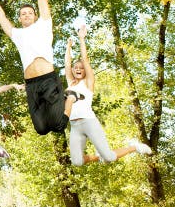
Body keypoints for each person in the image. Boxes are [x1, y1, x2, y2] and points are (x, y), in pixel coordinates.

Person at [0, 0, 76, 135]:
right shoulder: (17, 34)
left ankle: (71, 98)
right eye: (23, 14)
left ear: (35, 16)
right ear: (20, 18)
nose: (27, 15)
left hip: (49, 79)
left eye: (30, 13)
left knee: (59, 125)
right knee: (41, 129)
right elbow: (2, 18)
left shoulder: (44, 24)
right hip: (31, 85)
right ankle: (61, 102)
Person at [65, 25, 152, 165]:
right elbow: (67, 64)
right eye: (76, 68)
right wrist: (68, 47)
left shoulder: (88, 82)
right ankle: (98, 157)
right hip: (75, 125)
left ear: (85, 71)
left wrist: (81, 39)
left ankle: (134, 147)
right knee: (77, 162)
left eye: (81, 68)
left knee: (110, 157)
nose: (78, 69)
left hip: (89, 122)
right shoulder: (71, 83)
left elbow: (85, 59)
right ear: (73, 70)